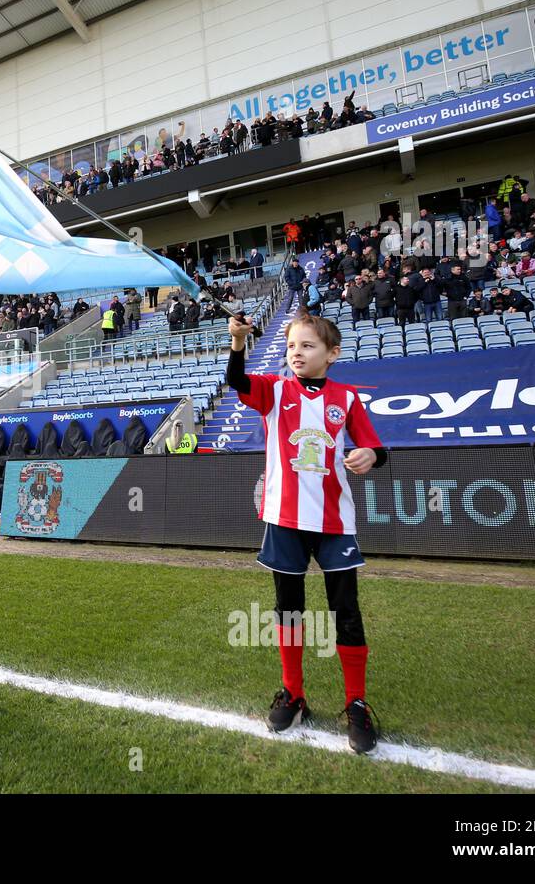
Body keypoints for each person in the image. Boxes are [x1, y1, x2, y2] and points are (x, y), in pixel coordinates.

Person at [227, 312, 387, 754]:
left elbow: (375, 446)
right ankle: (293, 694)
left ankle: (355, 703)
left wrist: (371, 456)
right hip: (284, 520)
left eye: (308, 346)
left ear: (332, 354)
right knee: (289, 610)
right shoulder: (274, 390)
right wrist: (238, 343)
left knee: (346, 613)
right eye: (292, 346)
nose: (296, 353)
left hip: (335, 523)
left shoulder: (348, 397)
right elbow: (236, 381)